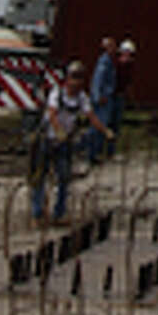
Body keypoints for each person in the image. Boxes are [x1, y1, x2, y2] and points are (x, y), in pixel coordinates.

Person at [29, 60, 112, 224]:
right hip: (47, 140)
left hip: (64, 143)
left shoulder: (82, 98)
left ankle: (59, 213)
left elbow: (91, 116)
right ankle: (37, 213)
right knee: (40, 177)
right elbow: (52, 114)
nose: (76, 82)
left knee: (63, 178)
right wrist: (58, 130)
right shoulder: (57, 94)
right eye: (74, 78)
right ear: (67, 79)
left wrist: (105, 131)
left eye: (80, 78)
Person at [87, 36, 117, 164]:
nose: (114, 49)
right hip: (102, 99)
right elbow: (98, 80)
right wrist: (98, 96)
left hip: (104, 97)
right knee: (98, 126)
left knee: (100, 126)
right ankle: (92, 153)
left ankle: (95, 153)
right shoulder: (104, 62)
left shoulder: (108, 61)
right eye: (112, 46)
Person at [113, 38, 137, 142]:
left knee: (116, 123)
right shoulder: (114, 65)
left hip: (120, 96)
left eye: (130, 54)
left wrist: (130, 97)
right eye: (126, 53)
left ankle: (111, 150)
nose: (128, 56)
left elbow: (128, 82)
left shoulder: (129, 66)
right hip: (111, 96)